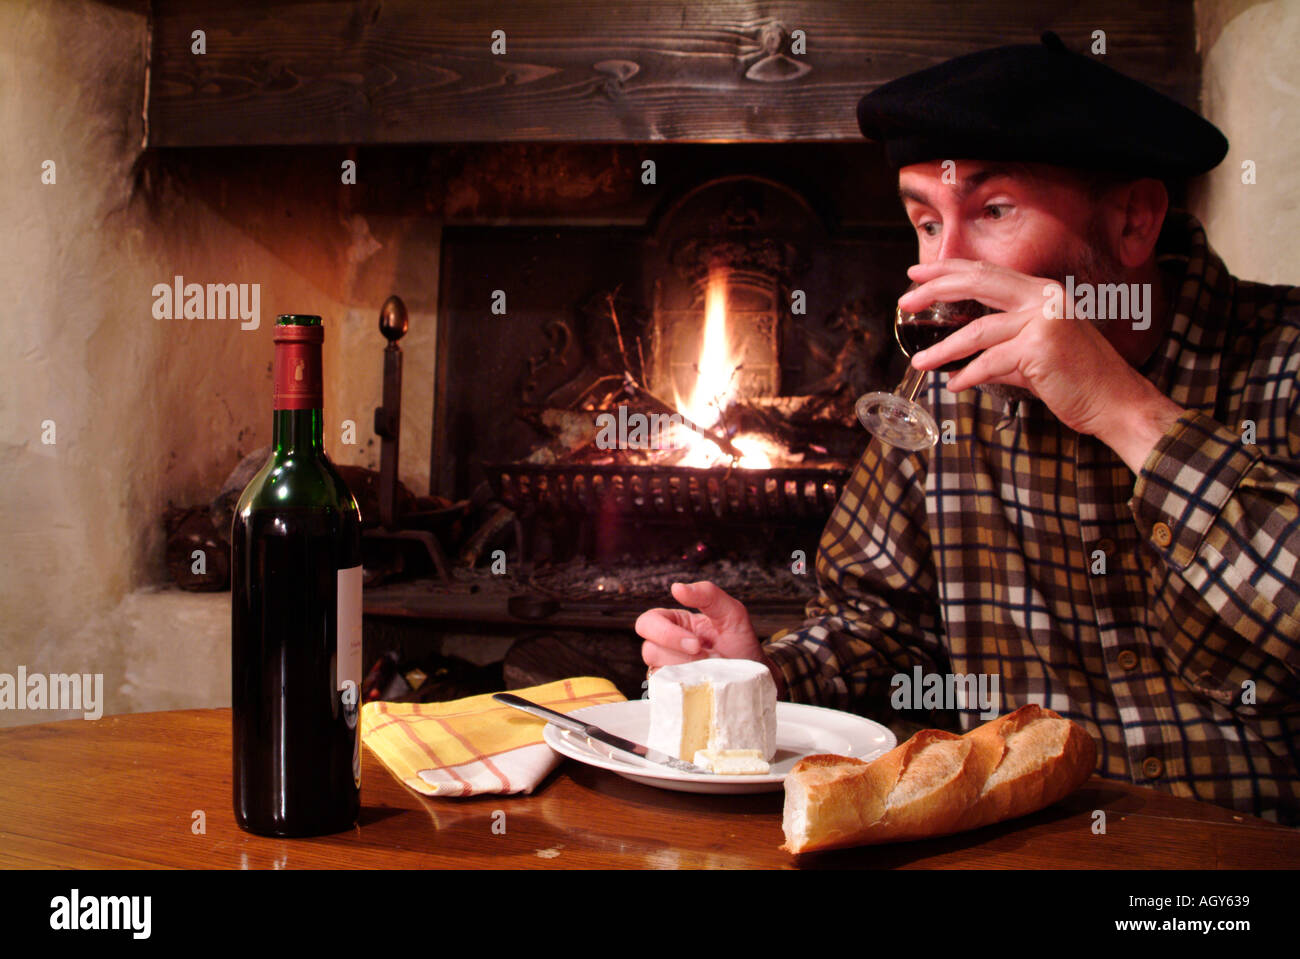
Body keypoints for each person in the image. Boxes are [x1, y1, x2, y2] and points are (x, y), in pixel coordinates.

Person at [635, 34, 1299, 826]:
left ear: (1132, 221)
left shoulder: (1283, 360)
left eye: (993, 212)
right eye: (923, 223)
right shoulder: (944, 399)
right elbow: (878, 627)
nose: (939, 272)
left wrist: (1128, 414)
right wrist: (760, 679)